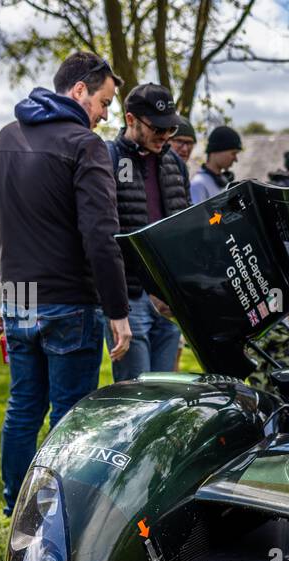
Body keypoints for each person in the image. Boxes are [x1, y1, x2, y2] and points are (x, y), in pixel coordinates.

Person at [0, 50, 132, 516]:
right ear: (79, 91)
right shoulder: (85, 144)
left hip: (19, 300)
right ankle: (58, 514)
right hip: (70, 302)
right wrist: (118, 310)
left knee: (23, 407)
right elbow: (100, 234)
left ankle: (17, 507)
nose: (106, 113)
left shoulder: (2, 140)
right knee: (71, 418)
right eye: (104, 101)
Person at [106, 81, 191, 381]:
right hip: (130, 297)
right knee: (136, 396)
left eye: (170, 129)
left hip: (169, 297)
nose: (166, 136)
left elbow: (186, 228)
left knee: (166, 396)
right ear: (130, 119)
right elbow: (103, 235)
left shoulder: (175, 165)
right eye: (158, 129)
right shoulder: (109, 159)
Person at [190, 125, 241, 203]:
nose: (235, 159)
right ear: (218, 150)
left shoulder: (223, 180)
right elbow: (199, 215)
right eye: (233, 153)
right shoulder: (198, 184)